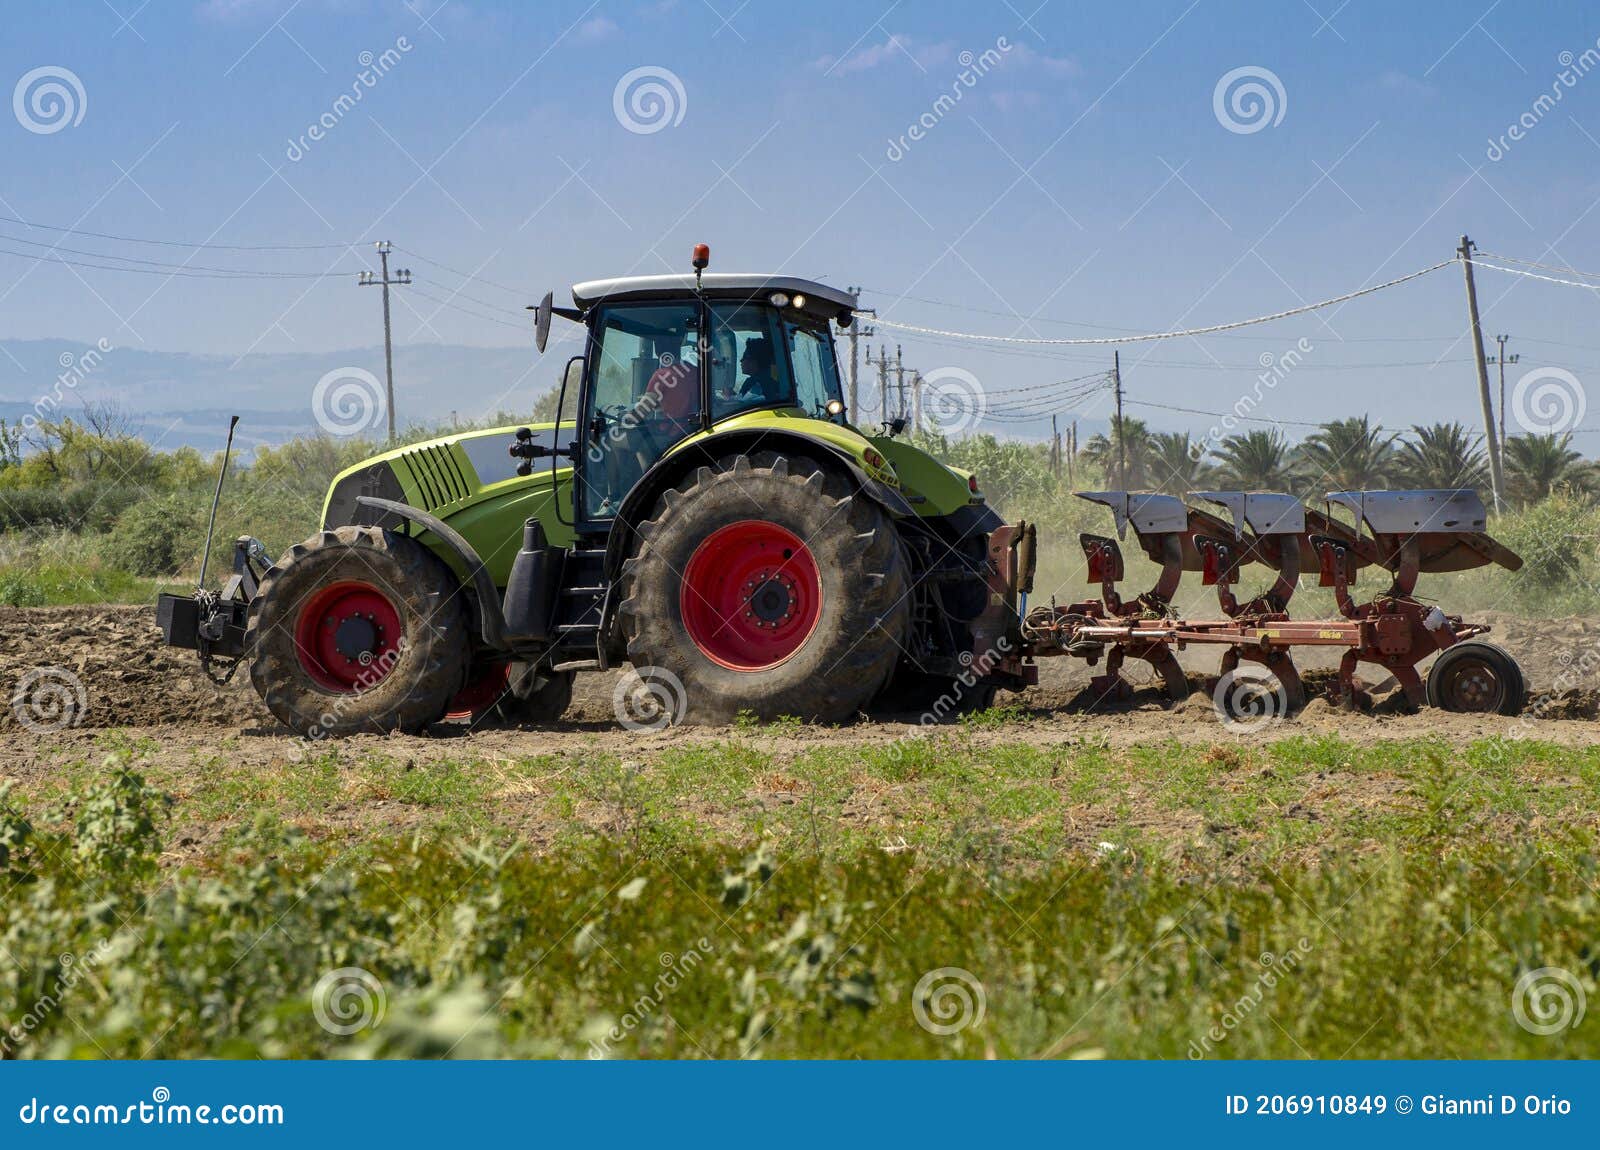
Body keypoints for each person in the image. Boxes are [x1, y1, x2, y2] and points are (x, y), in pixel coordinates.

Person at [733, 337, 781, 403]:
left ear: (754, 359)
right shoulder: (774, 378)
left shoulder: (757, 383)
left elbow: (745, 404)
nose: (741, 360)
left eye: (744, 357)